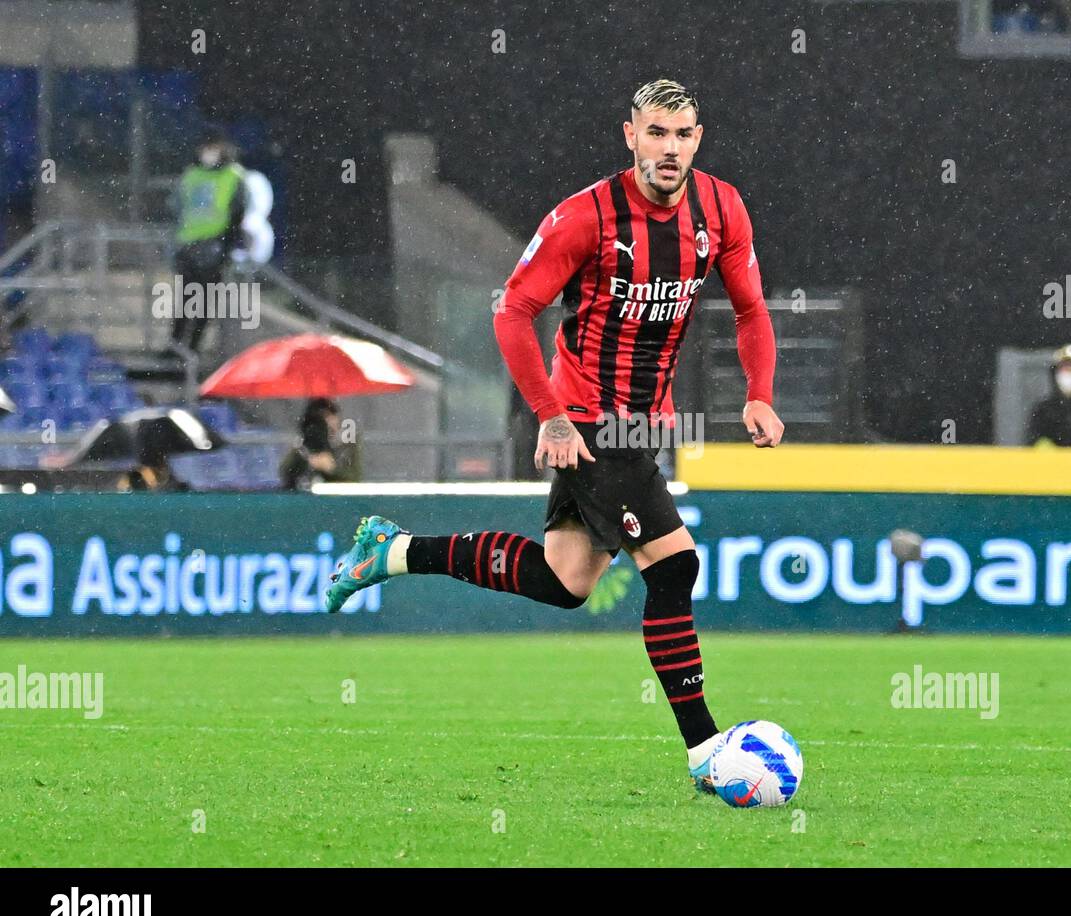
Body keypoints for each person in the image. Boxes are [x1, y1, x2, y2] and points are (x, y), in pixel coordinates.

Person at [324, 79, 781, 793]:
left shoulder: (721, 207)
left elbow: (752, 309)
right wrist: (551, 415)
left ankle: (394, 550)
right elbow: (513, 311)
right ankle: (705, 751)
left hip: (639, 427)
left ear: (699, 138)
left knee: (568, 579)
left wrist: (759, 395)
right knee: (674, 568)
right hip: (589, 423)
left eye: (683, 134)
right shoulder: (585, 217)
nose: (669, 148)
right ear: (629, 134)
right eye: (656, 132)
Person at [170, 132, 248, 354]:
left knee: (204, 301)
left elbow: (237, 213)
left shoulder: (233, 176)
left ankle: (193, 346)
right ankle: (176, 345)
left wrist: (227, 246)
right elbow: (178, 208)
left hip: (215, 246)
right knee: (185, 300)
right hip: (189, 245)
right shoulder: (192, 174)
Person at [279, 398, 361, 489]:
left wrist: (331, 469)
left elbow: (353, 478)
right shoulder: (305, 443)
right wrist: (307, 461)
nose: (326, 423)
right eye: (321, 419)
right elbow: (286, 472)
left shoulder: (347, 444)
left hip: (337, 496)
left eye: (328, 417)